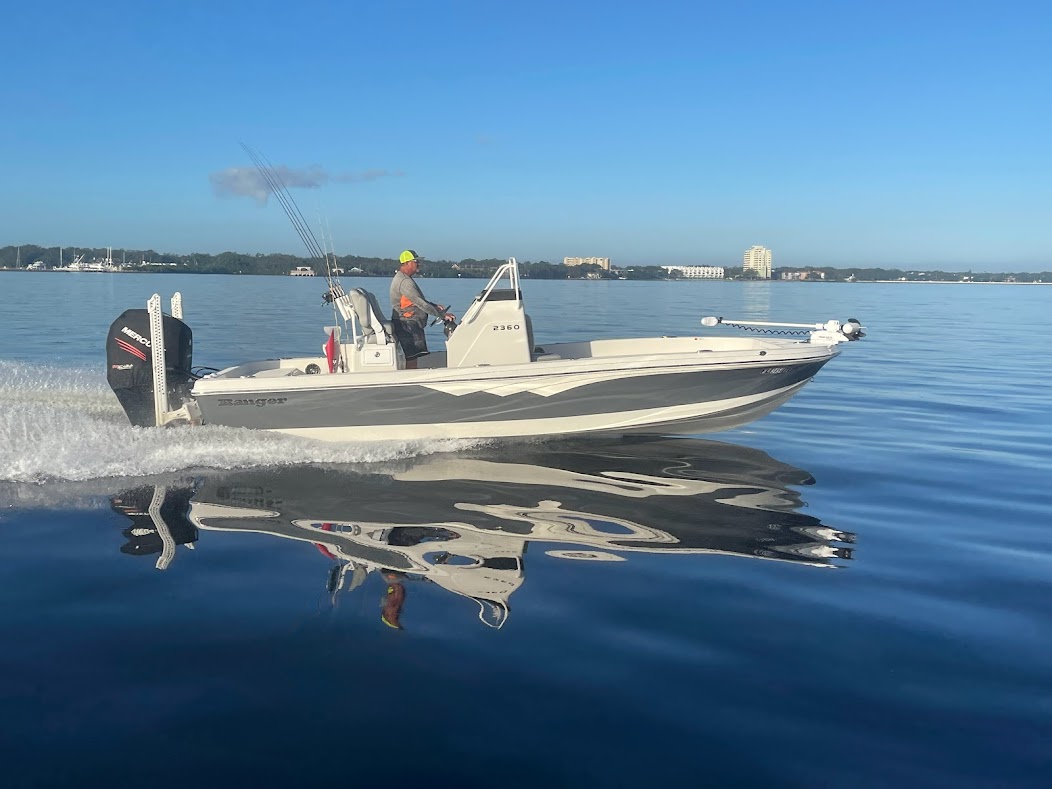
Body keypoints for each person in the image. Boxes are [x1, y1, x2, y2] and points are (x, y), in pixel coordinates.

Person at [389, 249, 456, 369]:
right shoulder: (404, 282)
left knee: (414, 356)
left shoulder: (405, 279)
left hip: (409, 322)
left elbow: (416, 301)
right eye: (416, 261)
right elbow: (421, 304)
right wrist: (442, 315)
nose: (419, 264)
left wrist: (434, 306)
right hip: (407, 324)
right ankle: (411, 383)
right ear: (408, 263)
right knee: (412, 357)